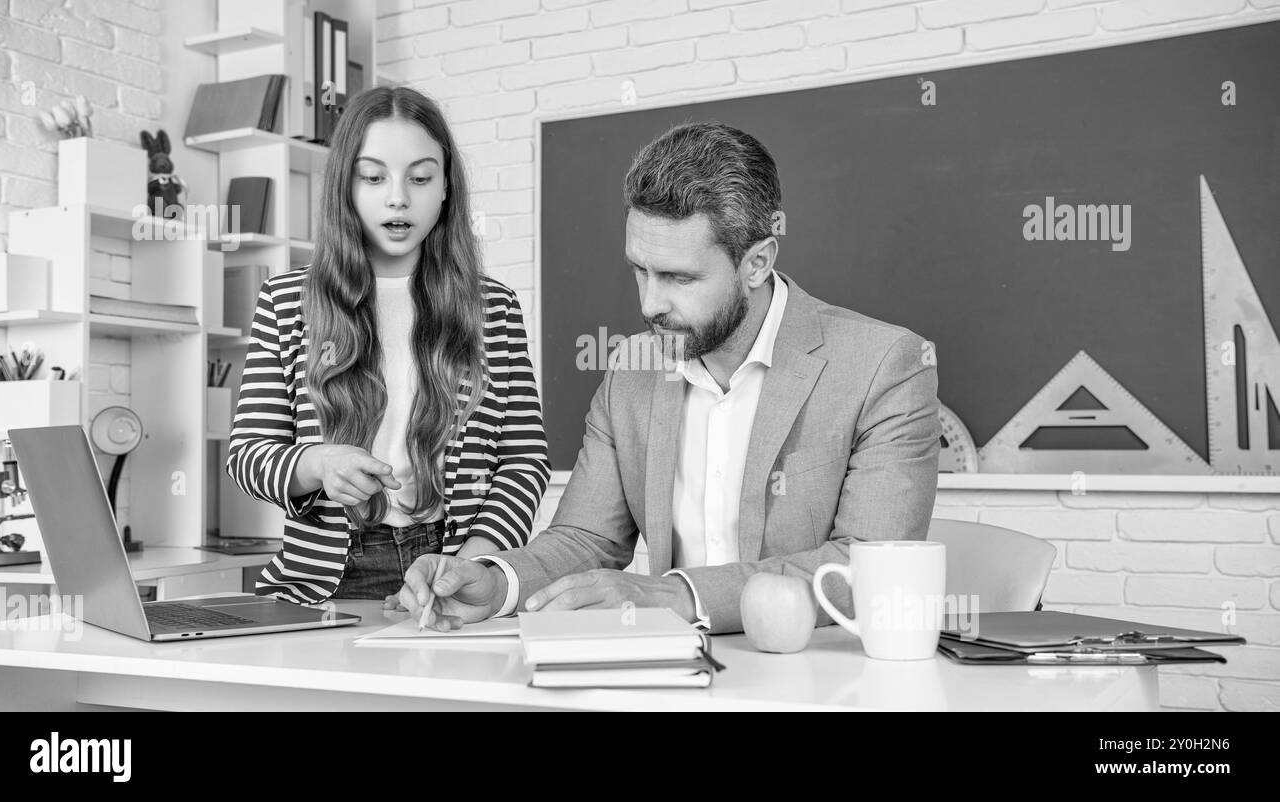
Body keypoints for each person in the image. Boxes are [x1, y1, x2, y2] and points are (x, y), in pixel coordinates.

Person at [393, 121, 938, 633]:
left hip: (816, 679)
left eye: (679, 277)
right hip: (669, 675)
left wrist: (678, 597)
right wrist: (497, 582)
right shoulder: (633, 370)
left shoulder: (883, 365)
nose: (651, 304)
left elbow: (867, 567)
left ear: (757, 262)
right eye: (639, 270)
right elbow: (588, 538)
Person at [225, 87, 549, 603]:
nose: (399, 197)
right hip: (325, 577)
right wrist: (317, 464)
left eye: (420, 178)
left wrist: (470, 567)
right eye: (374, 177)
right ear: (346, 187)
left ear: (445, 188)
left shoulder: (494, 308)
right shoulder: (286, 301)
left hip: (450, 563)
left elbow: (524, 461)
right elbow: (248, 455)